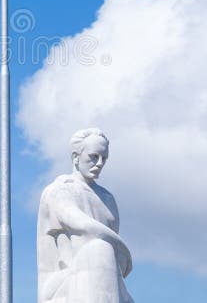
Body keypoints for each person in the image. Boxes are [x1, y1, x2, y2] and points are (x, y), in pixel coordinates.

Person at [37, 129, 134, 303]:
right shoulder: (60, 189)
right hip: (66, 278)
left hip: (105, 278)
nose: (99, 163)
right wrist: (122, 248)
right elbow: (80, 223)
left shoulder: (107, 199)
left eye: (104, 158)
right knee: (99, 249)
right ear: (76, 157)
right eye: (93, 156)